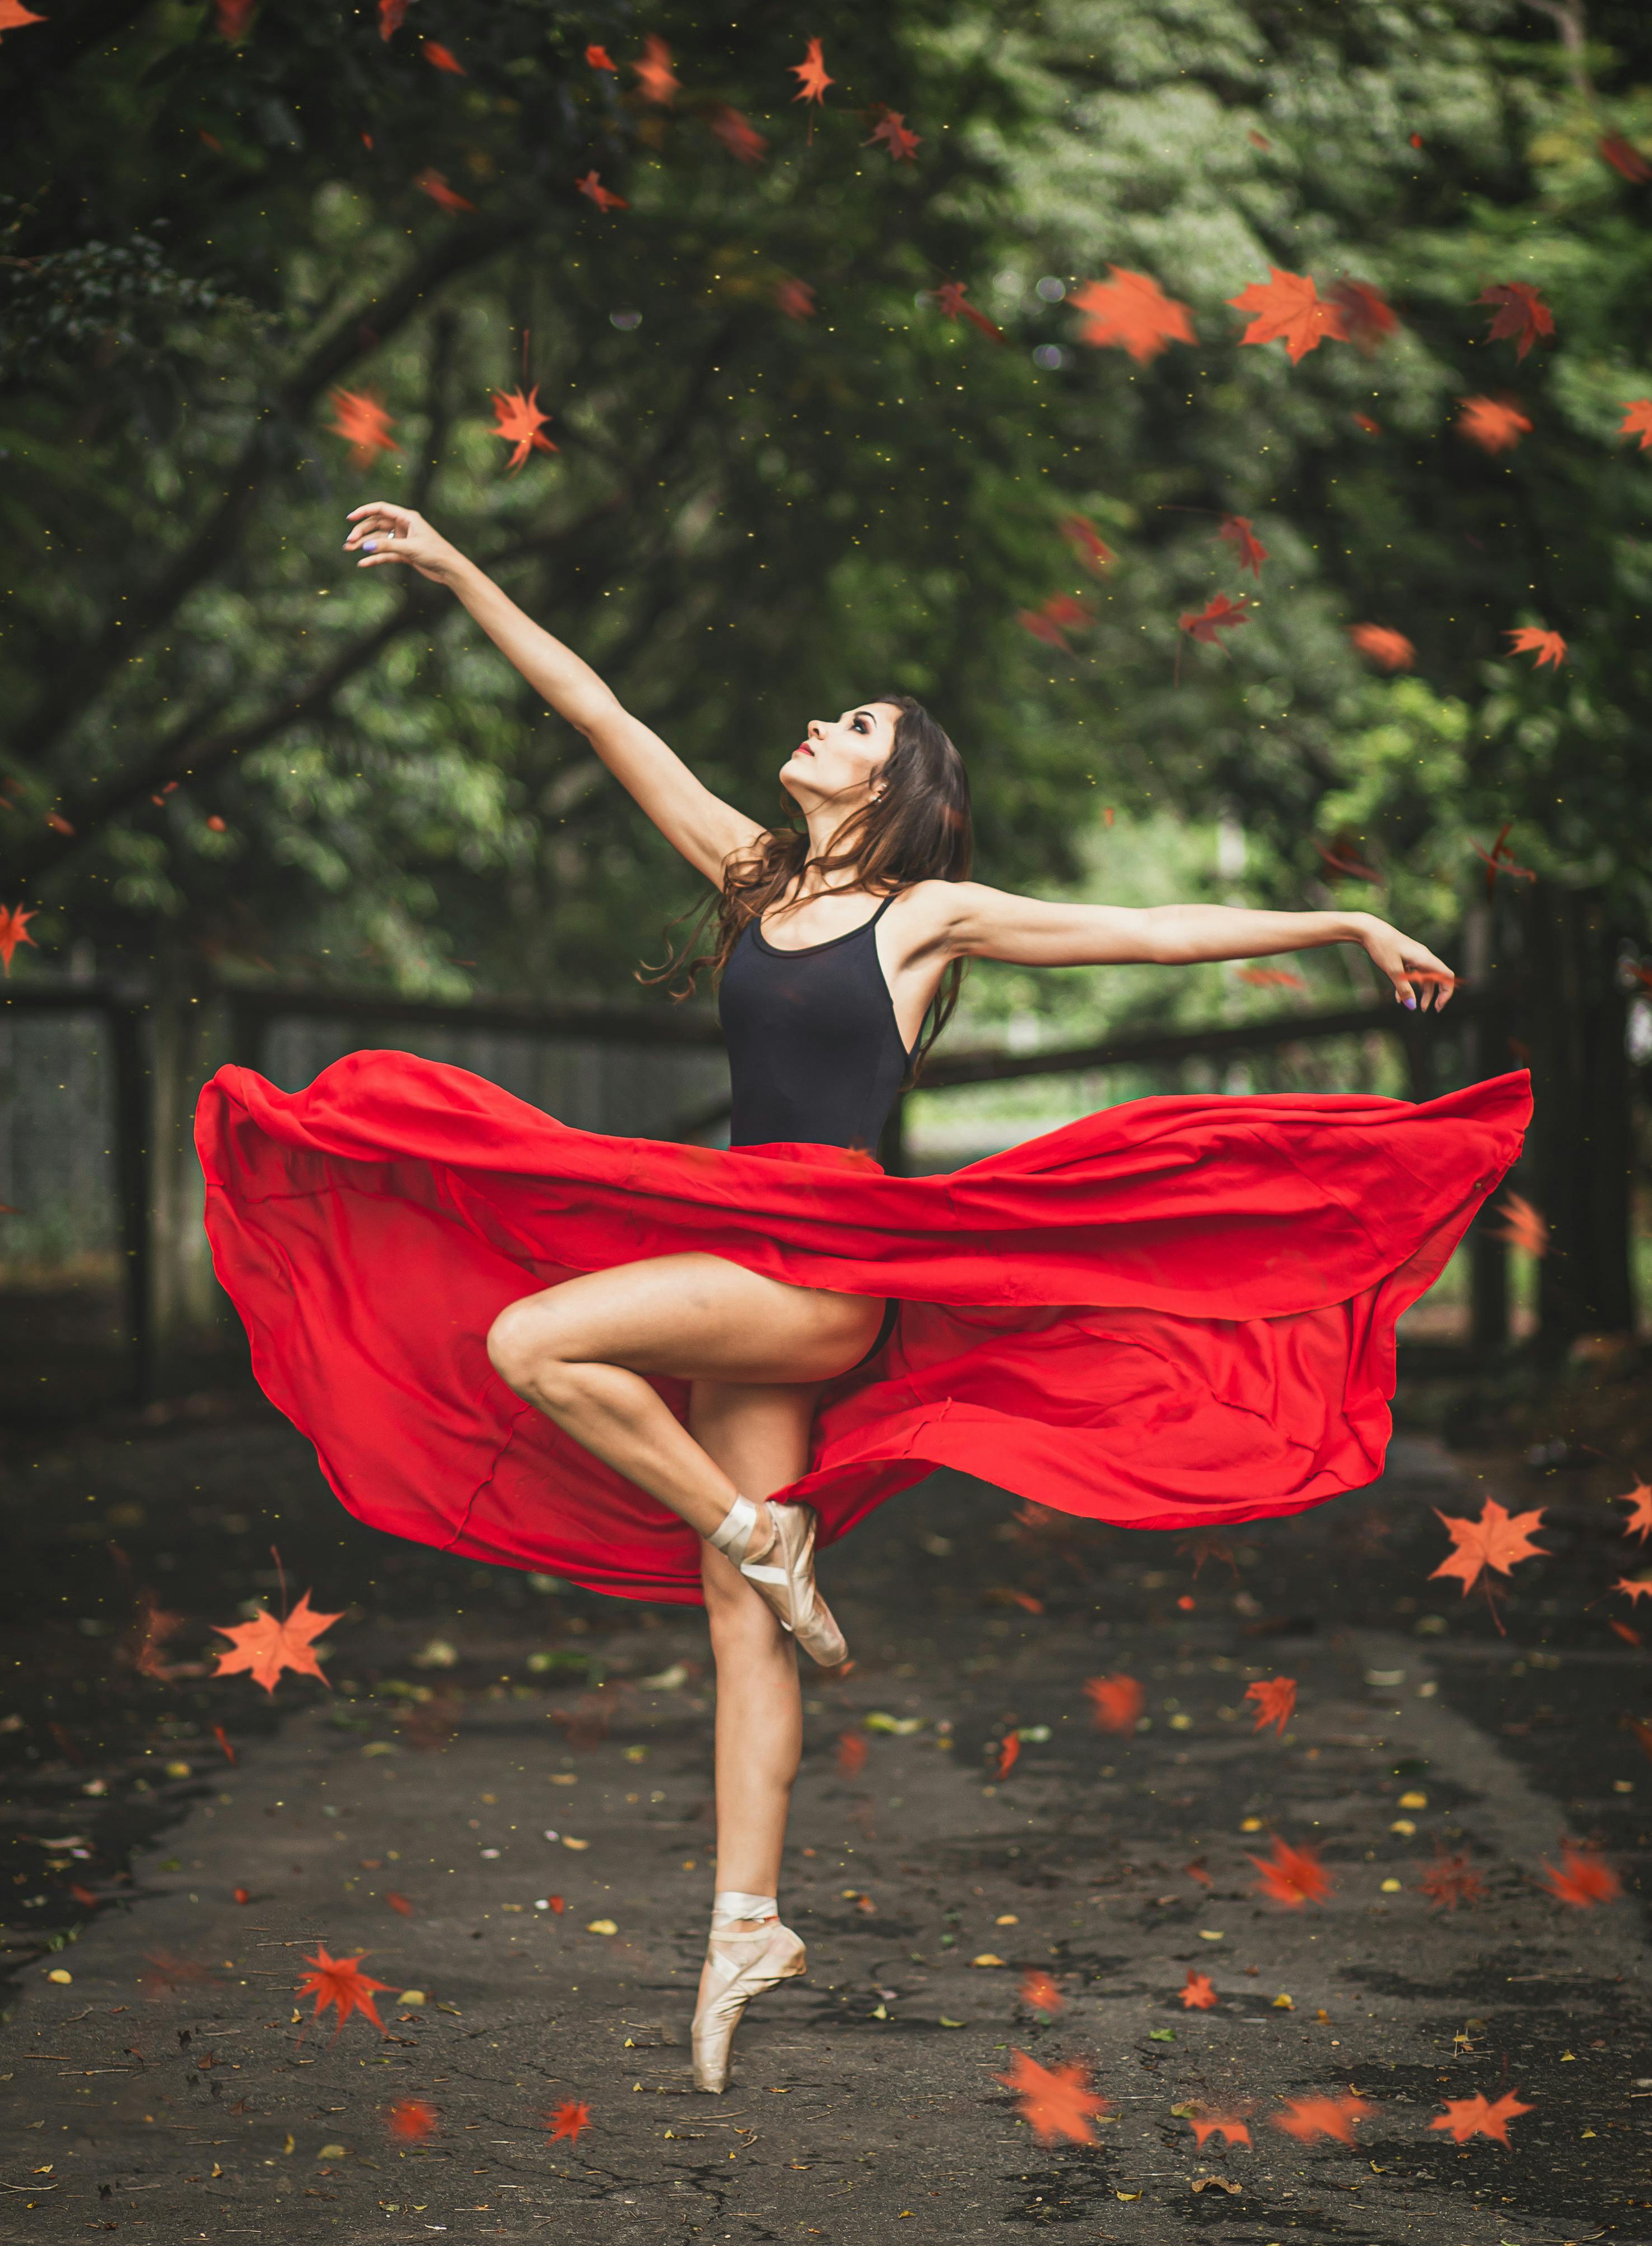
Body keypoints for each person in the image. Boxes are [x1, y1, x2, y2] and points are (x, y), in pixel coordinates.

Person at [194, 502, 1529, 2096]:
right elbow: (596, 707)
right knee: (734, 1615)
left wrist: (1343, 920)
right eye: (834, 716)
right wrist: (461, 566)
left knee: (528, 1338)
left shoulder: (924, 918)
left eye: (856, 726)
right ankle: (744, 1921)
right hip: (735, 1249)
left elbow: (1152, 931)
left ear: (893, 787)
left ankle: (768, 1532)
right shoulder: (751, 875)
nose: (821, 726)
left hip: (819, 1271)